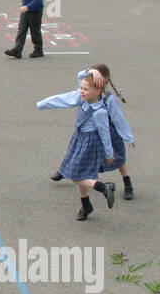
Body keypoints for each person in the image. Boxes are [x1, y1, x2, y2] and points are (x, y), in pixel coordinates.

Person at [37, 70, 118, 221]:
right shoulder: (84, 101)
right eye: (81, 88)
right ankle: (86, 205)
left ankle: (102, 187)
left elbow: (105, 134)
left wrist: (109, 154)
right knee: (82, 175)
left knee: (75, 176)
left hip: (89, 145)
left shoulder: (99, 112)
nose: (81, 91)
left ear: (98, 91)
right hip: (79, 140)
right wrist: (92, 71)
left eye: (86, 89)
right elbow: (81, 76)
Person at [50, 65, 136, 200]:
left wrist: (128, 137)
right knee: (75, 152)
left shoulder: (109, 99)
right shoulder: (87, 94)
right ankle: (64, 171)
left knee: (118, 158)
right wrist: (92, 71)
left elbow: (118, 119)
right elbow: (80, 76)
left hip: (108, 132)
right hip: (89, 133)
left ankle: (127, 183)